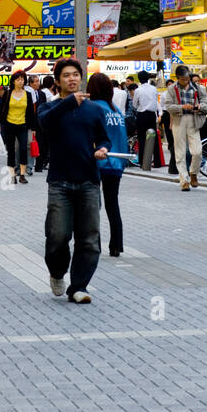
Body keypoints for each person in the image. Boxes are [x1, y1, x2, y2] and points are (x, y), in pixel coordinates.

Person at [38, 58, 110, 304]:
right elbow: (44, 123)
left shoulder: (95, 109)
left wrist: (102, 148)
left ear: (81, 78)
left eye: (75, 75)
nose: (72, 79)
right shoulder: (49, 108)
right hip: (59, 182)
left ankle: (79, 286)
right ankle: (57, 272)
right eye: (66, 75)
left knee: (89, 238)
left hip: (89, 180)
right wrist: (69, 102)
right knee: (57, 235)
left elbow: (104, 138)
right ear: (57, 81)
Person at [85, 72, 128, 257]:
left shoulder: (93, 107)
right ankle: (116, 245)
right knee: (113, 204)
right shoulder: (116, 110)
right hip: (116, 162)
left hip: (98, 161)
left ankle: (95, 244)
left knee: (94, 205)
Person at [163, 64, 207, 190]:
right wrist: (181, 107)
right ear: (178, 78)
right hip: (179, 120)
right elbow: (168, 106)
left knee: (197, 151)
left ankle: (193, 172)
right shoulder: (172, 89)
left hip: (194, 120)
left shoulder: (198, 88)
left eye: (187, 78)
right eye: (183, 79)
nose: (186, 81)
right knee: (180, 151)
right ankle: (183, 180)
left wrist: (200, 107)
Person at [0, 70, 36, 184]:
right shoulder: (8, 94)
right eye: (18, 79)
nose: (20, 81)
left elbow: (31, 112)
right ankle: (12, 175)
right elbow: (1, 109)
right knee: (11, 150)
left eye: (22, 79)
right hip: (9, 125)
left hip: (23, 125)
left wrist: (33, 128)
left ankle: (22, 174)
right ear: (13, 81)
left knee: (23, 149)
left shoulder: (28, 94)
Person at [133, 71, 164, 170]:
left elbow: (134, 104)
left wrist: (140, 106)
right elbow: (155, 101)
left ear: (139, 79)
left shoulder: (138, 90)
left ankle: (143, 162)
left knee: (142, 138)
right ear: (148, 78)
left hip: (142, 115)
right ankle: (157, 162)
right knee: (153, 138)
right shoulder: (154, 89)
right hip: (151, 115)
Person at [33, 77, 56, 173]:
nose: (37, 83)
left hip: (44, 121)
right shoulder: (47, 94)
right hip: (42, 122)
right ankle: (40, 163)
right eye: (35, 81)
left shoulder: (42, 93)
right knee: (42, 144)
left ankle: (40, 163)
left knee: (44, 144)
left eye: (38, 81)